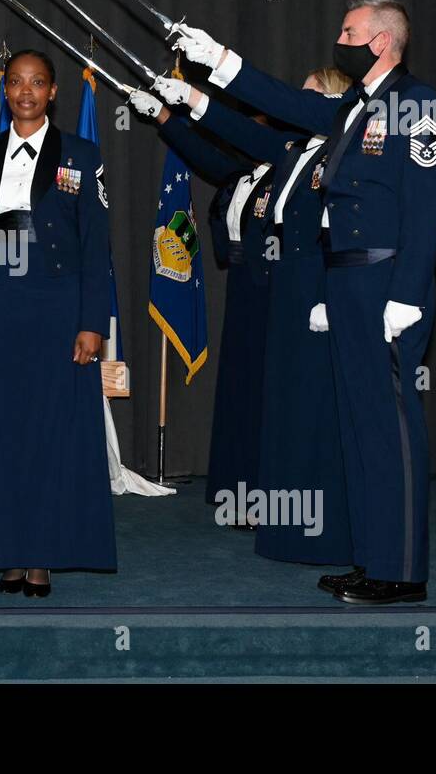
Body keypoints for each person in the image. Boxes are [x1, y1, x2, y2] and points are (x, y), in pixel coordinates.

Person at [172, 0, 436, 604]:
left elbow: (428, 209)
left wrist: (407, 296)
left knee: (391, 432)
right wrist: (219, 63)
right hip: (346, 282)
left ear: (380, 42)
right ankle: (371, 556)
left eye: (348, 31)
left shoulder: (416, 105)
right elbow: (284, 105)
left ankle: (403, 570)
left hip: (385, 285)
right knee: (356, 430)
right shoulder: (354, 108)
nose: (339, 39)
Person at [131, 66, 356, 566]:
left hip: (296, 292)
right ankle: (255, 497)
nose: (296, 103)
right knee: (248, 394)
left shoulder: (332, 154)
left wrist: (191, 95)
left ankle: (296, 511)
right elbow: (218, 149)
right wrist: (172, 113)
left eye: (310, 94)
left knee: (287, 402)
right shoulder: (290, 154)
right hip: (258, 286)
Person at [0, 49, 117, 597]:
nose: (26, 91)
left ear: (53, 92)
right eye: (17, 82)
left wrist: (92, 323)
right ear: (4, 89)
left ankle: (41, 553)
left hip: (57, 308)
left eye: (37, 82)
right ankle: (5, 550)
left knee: (50, 432)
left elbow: (97, 248)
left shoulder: (83, 156)